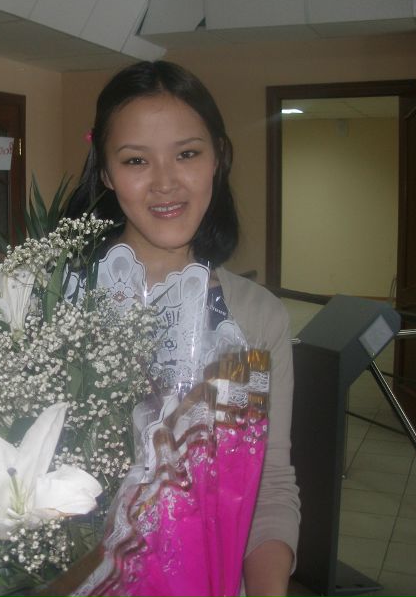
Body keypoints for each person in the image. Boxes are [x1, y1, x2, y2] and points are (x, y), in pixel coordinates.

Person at [64, 60, 301, 597]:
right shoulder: (60, 302)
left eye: (187, 154)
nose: (165, 183)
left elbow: (269, 487)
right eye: (136, 160)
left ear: (218, 156)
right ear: (106, 172)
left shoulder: (256, 318)